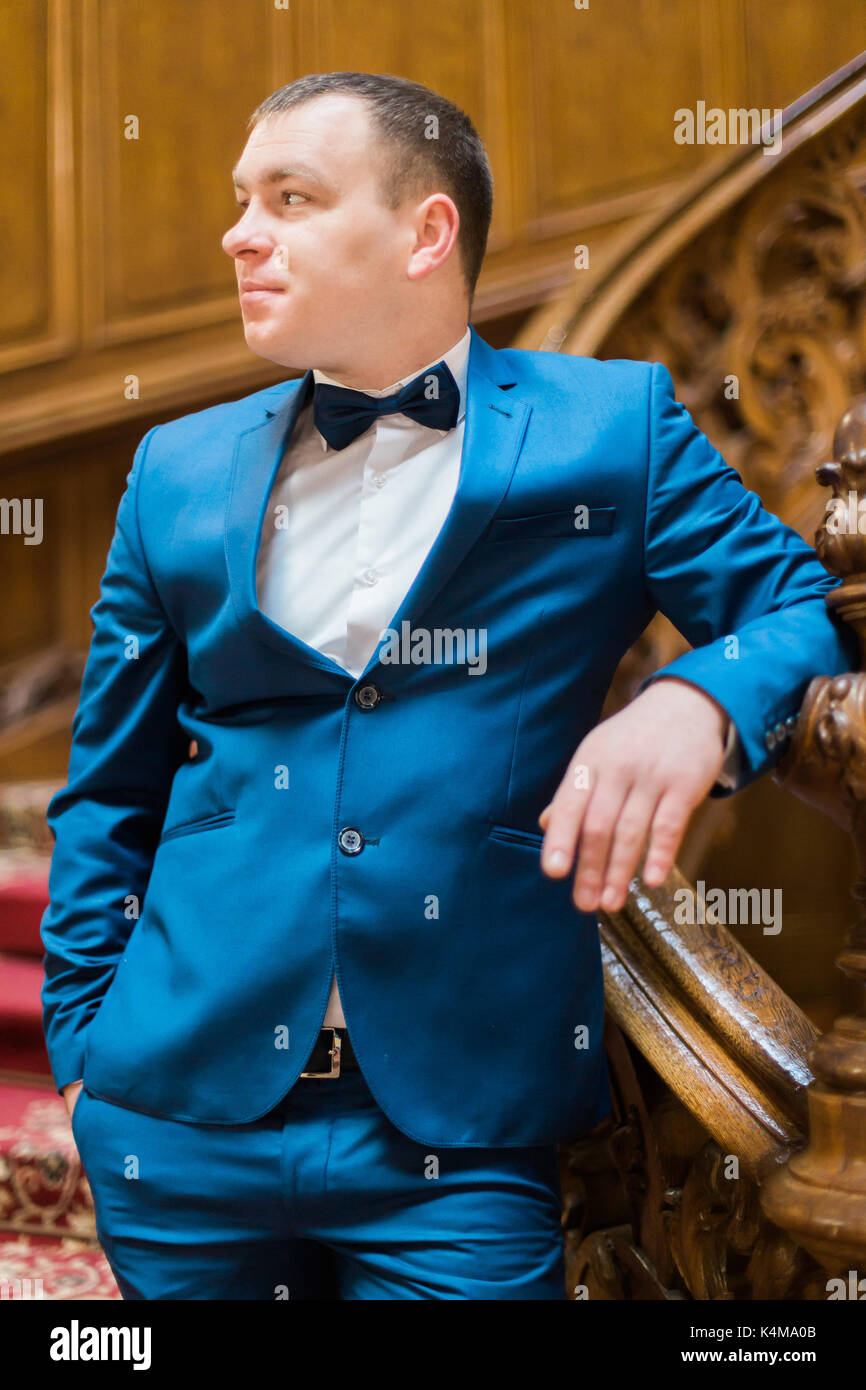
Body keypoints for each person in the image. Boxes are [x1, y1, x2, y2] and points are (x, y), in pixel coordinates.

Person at [40, 71, 856, 1300]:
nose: (239, 231)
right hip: (175, 1116)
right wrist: (84, 1060)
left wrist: (692, 702)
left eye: (290, 196)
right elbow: (109, 790)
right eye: (239, 198)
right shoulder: (174, 466)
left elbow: (802, 605)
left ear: (426, 233)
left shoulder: (609, 429)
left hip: (454, 1141)